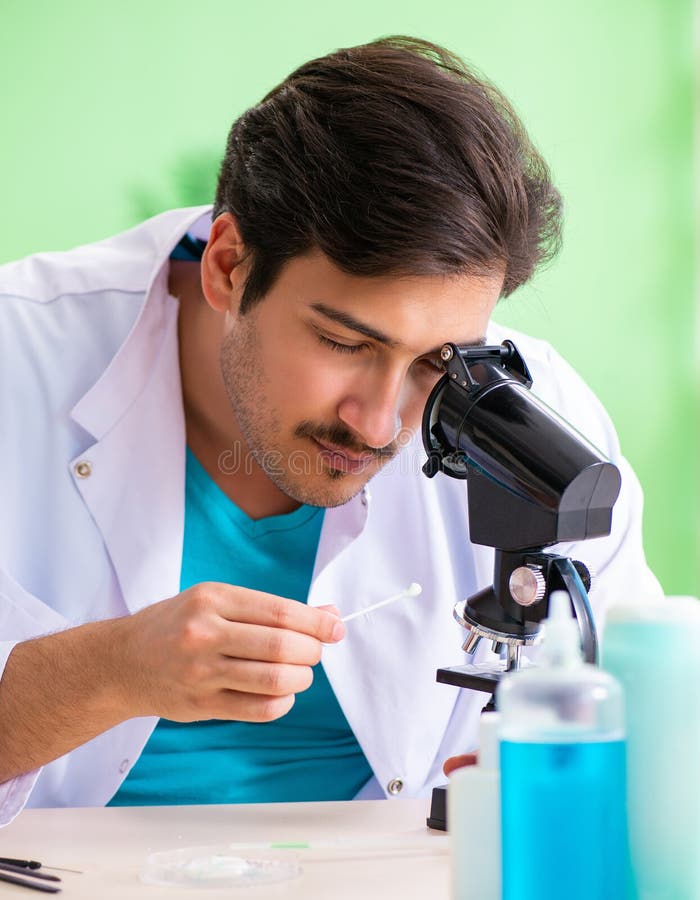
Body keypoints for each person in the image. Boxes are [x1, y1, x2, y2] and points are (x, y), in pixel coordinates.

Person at [0, 36, 660, 824]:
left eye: (435, 364)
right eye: (346, 343)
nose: (380, 422)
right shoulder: (20, 358)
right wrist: (108, 671)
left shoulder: (533, 414)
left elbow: (644, 723)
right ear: (229, 266)